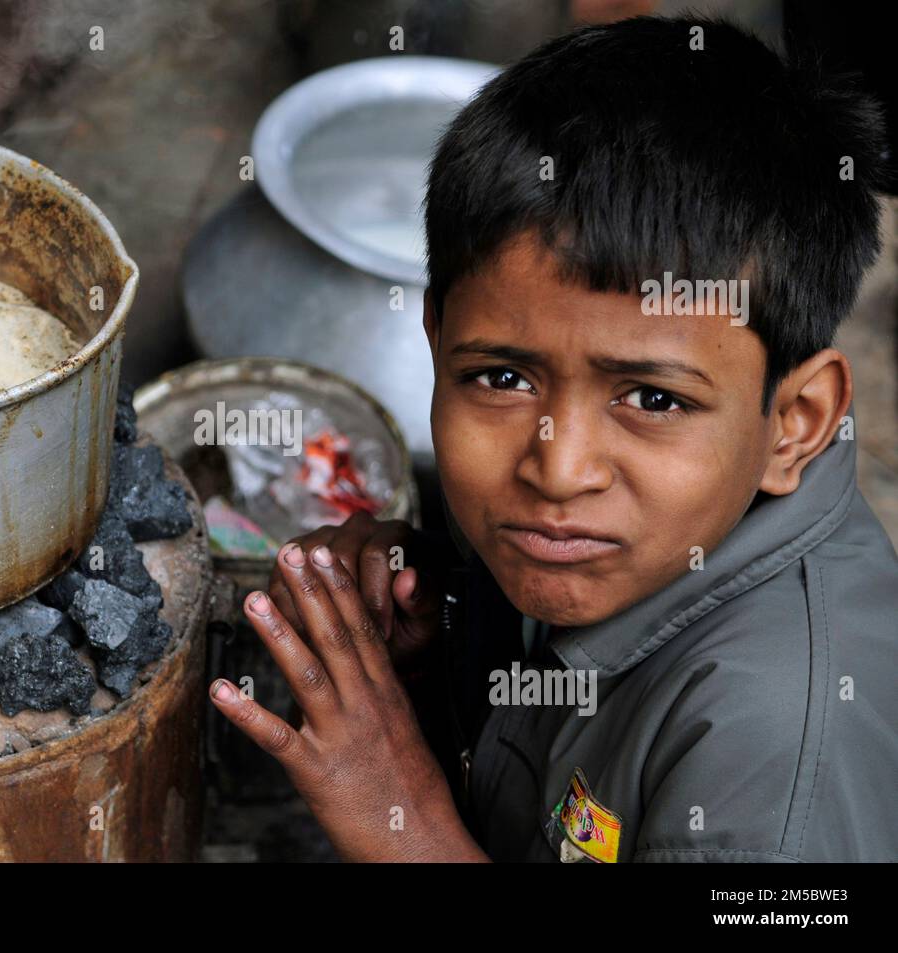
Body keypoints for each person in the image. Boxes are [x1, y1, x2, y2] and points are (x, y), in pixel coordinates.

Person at [208, 15, 898, 862]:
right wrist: (448, 638)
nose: (558, 468)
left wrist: (402, 819)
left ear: (795, 423)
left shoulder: (773, 766)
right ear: (434, 340)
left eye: (651, 396)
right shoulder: (602, 537)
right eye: (501, 377)